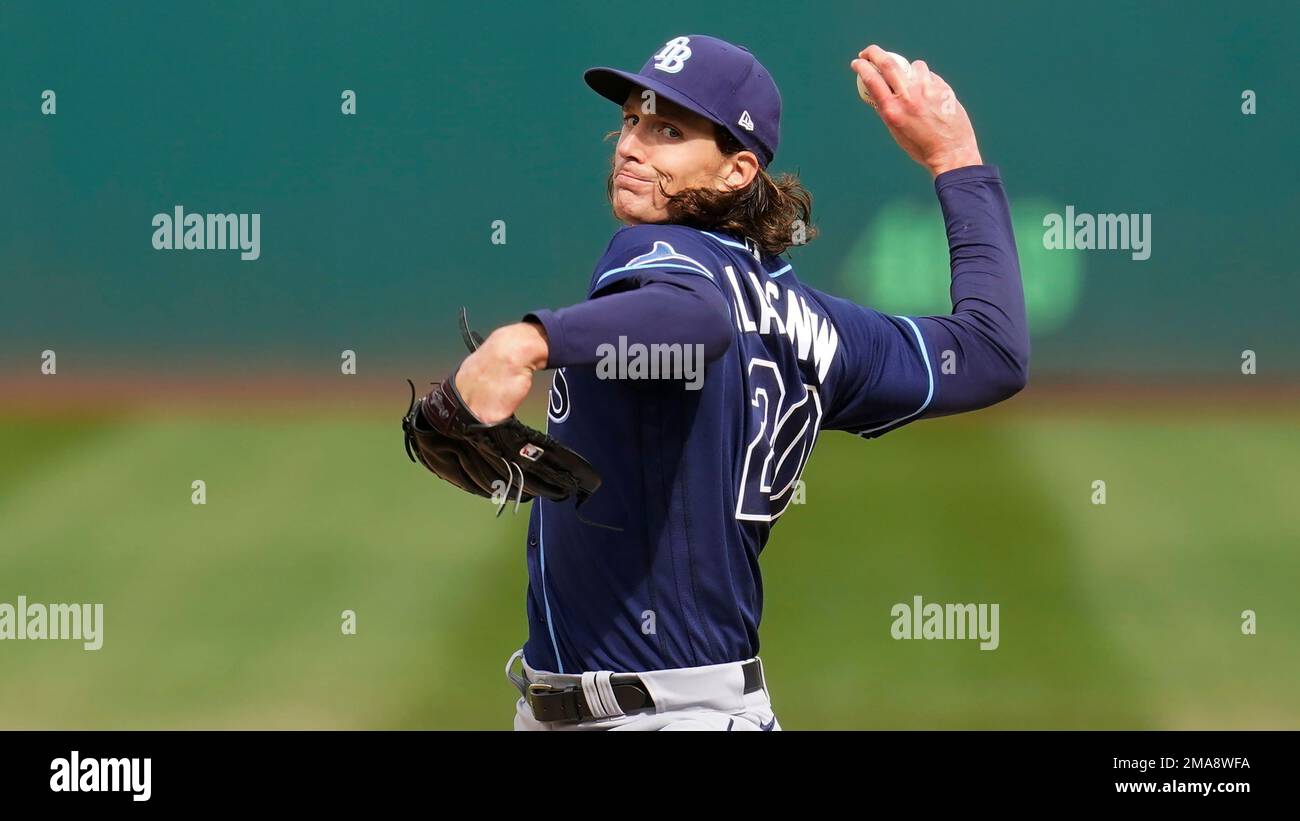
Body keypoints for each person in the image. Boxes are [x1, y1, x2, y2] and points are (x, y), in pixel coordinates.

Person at [451, 34, 1029, 730]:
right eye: (632, 120)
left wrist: (529, 338)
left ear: (737, 171)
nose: (633, 144)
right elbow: (991, 352)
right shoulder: (815, 323)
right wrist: (955, 160)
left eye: (669, 130)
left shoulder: (662, 255)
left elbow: (693, 319)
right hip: (704, 705)